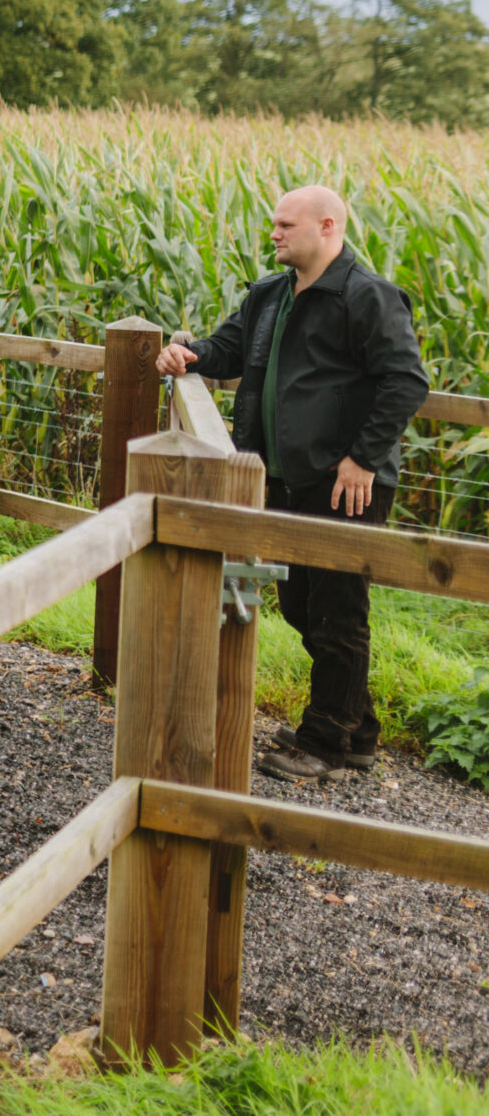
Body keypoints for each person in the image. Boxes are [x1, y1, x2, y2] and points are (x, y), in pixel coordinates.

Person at [157, 185, 429, 782]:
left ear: (327, 227)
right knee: (301, 603)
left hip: (345, 482)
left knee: (337, 609)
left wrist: (361, 458)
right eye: (274, 224)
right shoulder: (271, 295)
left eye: (285, 225)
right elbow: (229, 349)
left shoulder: (368, 297)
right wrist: (190, 355)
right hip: (285, 477)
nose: (274, 234)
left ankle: (326, 742)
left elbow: (406, 381)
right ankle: (356, 730)